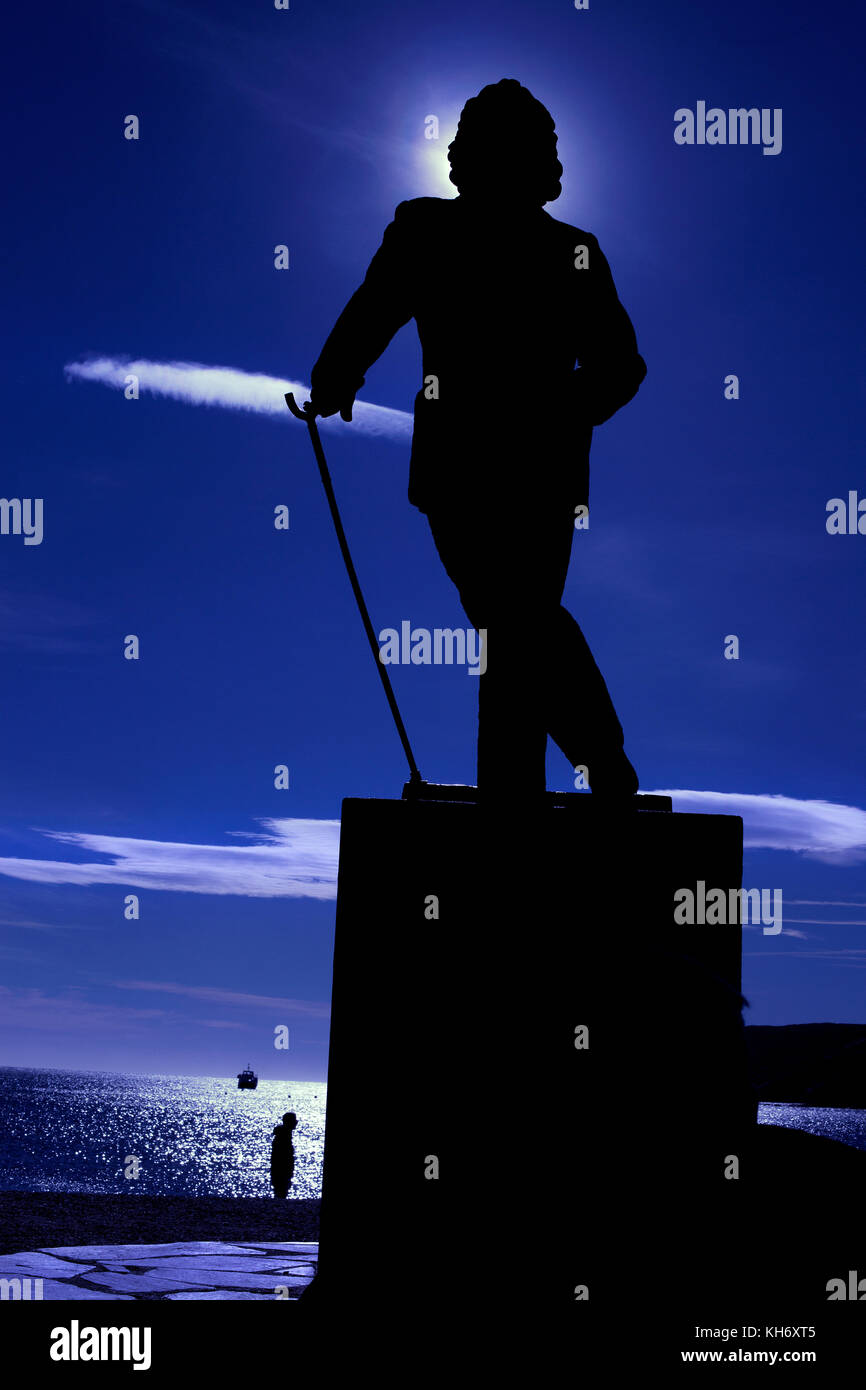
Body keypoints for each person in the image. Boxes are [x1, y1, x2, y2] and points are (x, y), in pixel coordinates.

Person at [309, 78, 647, 800]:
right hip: (458, 471)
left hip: (538, 471)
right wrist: (336, 376)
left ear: (539, 163)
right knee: (513, 620)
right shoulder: (426, 231)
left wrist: (562, 409)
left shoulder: (572, 252)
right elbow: (375, 309)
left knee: (513, 625)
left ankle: (531, 787)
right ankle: (591, 762)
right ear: (468, 156)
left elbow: (620, 364)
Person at [270, 1111, 297, 1199]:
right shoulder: (284, 1136)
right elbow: (284, 1155)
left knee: (280, 1191)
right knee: (281, 1191)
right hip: (281, 1168)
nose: (296, 1123)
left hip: (280, 1168)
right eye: (294, 1121)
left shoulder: (284, 1134)